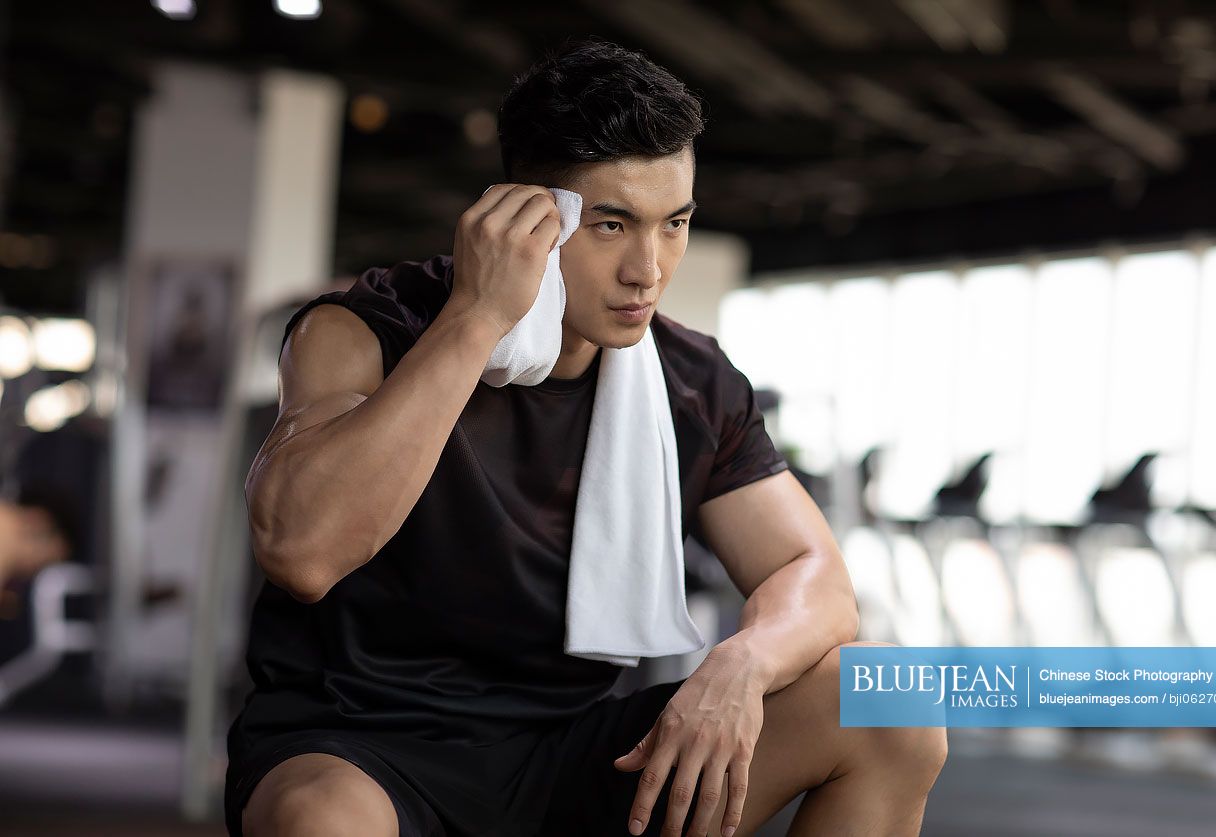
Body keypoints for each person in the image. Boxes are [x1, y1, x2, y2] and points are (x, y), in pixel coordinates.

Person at [226, 37, 947, 837]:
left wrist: (739, 665)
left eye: (673, 223)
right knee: (320, 822)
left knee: (890, 698)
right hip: (361, 743)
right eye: (610, 224)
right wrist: (477, 316)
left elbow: (811, 570)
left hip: (567, 751)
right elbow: (301, 549)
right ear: (525, 216)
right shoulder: (368, 330)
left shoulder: (691, 381)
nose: (649, 268)